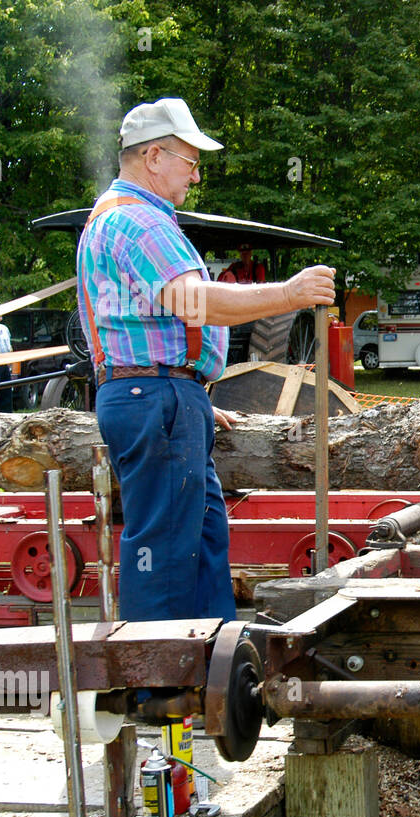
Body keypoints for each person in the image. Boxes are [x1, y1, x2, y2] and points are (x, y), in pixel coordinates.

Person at [77, 97, 334, 623]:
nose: (195, 176)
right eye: (190, 162)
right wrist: (290, 294)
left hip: (158, 394)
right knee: (167, 552)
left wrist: (183, 392)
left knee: (199, 535)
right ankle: (159, 667)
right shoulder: (139, 222)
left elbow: (138, 327)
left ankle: (209, 653)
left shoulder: (118, 218)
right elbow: (194, 302)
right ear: (153, 157)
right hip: (155, 397)